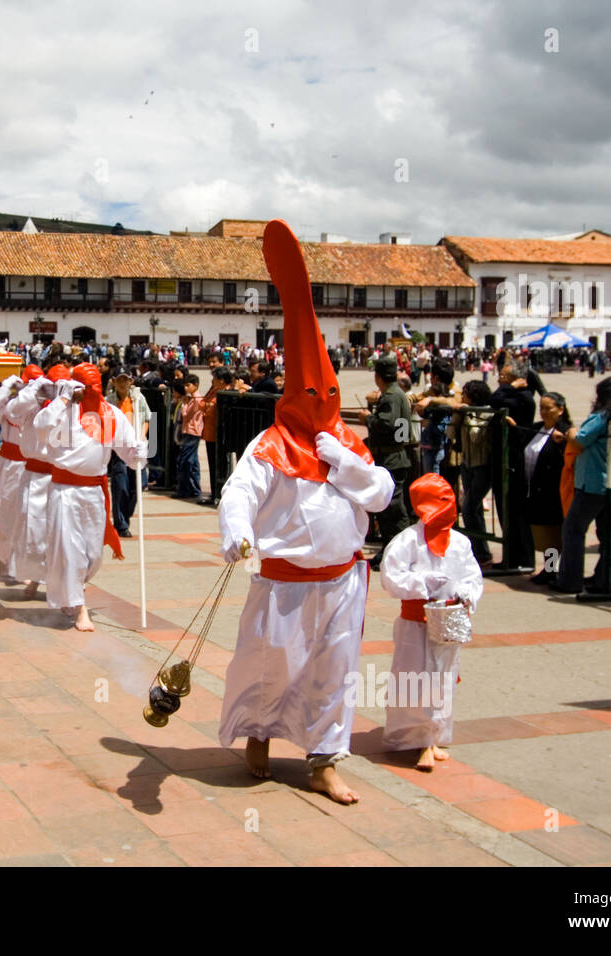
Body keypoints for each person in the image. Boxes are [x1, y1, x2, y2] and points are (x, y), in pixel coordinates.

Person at [217, 220, 394, 804]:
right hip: (284, 582)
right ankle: (259, 735)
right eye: (311, 396)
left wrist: (349, 464)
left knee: (334, 672)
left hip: (341, 582)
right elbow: (239, 492)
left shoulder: (347, 443)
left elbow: (382, 496)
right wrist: (239, 535)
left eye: (329, 396)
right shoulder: (270, 445)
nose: (321, 405)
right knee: (272, 665)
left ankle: (324, 761)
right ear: (294, 394)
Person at [378, 473, 483, 770]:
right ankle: (413, 736)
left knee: (443, 677)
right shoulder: (408, 540)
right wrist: (421, 582)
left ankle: (432, 737)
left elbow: (473, 577)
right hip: (414, 622)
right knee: (413, 678)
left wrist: (465, 594)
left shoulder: (460, 543)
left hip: (447, 621)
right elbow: (391, 577)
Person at [31, 363, 144, 631]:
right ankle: (80, 608)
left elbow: (131, 456)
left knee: (93, 554)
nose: (91, 391)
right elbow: (40, 425)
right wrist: (64, 398)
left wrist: (139, 450)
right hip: (64, 490)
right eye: (86, 386)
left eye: (95, 385)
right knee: (71, 551)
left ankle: (73, 590)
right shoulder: (62, 411)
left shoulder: (112, 414)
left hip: (95, 491)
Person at [556, 376, 611, 600]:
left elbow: (580, 440)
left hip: (595, 481)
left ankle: (570, 579)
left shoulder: (602, 416)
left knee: (573, 529)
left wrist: (570, 432)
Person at [4, 363, 72, 597]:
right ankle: (35, 577)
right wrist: (34, 389)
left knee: (61, 533)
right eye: (53, 385)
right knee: (32, 531)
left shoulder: (73, 408)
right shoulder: (32, 405)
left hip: (61, 477)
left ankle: (67, 582)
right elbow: (11, 411)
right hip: (33, 475)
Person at [0, 366, 43, 572]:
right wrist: (7, 387)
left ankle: (22, 567)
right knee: (5, 512)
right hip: (9, 463)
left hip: (33, 464)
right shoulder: (9, 401)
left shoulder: (46, 404)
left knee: (30, 517)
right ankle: (4, 563)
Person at [357, 354, 413, 567]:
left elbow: (387, 425)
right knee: (389, 507)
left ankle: (397, 552)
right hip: (395, 455)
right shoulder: (398, 394)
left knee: (393, 509)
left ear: (377, 376)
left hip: (391, 458)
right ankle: (392, 550)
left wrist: (368, 419)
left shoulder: (390, 396)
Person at [489, 363, 537, 571]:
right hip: (503, 459)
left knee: (516, 511)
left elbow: (495, 400)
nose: (499, 379)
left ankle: (526, 559)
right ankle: (512, 556)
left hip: (515, 459)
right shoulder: (514, 394)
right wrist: (509, 386)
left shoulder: (524, 397)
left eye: (504, 376)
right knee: (505, 509)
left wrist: (509, 388)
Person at [524, 391, 571, 585]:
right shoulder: (536, 429)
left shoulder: (565, 432)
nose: (543, 412)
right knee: (544, 535)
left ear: (560, 410)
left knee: (553, 535)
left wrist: (564, 441)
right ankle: (549, 568)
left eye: (548, 408)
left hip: (554, 492)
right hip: (534, 490)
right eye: (541, 408)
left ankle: (552, 570)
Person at [450, 379, 495, 567]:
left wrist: (466, 414)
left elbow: (476, 437)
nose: (463, 398)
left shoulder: (487, 412)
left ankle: (482, 552)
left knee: (468, 508)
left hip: (482, 465)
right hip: (467, 463)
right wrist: (457, 416)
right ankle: (478, 550)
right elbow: (451, 434)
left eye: (466, 394)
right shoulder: (464, 413)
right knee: (473, 509)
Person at [104, 368, 150, 536]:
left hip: (137, 448)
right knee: (120, 486)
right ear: (114, 381)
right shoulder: (108, 401)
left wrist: (142, 436)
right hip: (119, 449)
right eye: (119, 380)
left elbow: (146, 419)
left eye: (126, 380)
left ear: (131, 381)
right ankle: (121, 524)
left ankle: (125, 513)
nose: (123, 383)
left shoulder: (138, 399)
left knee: (139, 485)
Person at [199, 366, 233, 502]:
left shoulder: (228, 392)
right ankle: (214, 493)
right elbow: (202, 404)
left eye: (215, 378)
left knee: (222, 466)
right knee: (212, 465)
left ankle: (221, 493)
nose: (212, 381)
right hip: (210, 432)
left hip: (220, 434)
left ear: (222, 380)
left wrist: (207, 406)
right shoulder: (213, 391)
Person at [173, 373, 203, 499]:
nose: (185, 388)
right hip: (187, 431)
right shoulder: (190, 398)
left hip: (192, 432)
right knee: (192, 462)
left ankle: (185, 489)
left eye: (188, 385)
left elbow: (186, 414)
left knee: (185, 461)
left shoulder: (196, 399)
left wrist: (184, 403)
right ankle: (194, 488)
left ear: (195, 385)